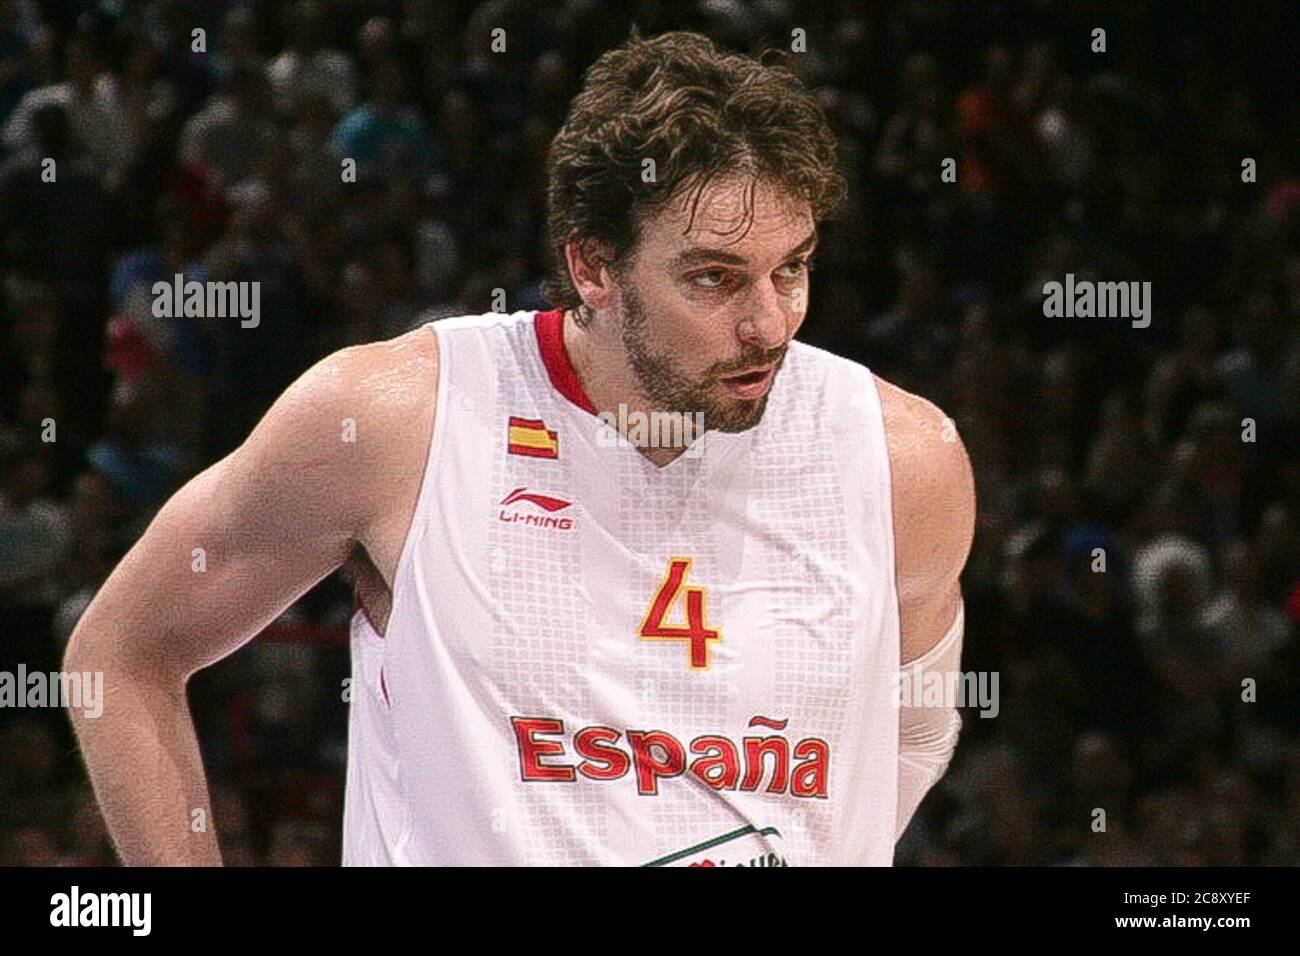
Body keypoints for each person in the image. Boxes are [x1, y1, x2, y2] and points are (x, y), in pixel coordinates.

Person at [66, 30, 974, 866]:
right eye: (714, 278)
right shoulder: (397, 420)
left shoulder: (903, 460)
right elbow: (122, 656)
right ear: (593, 266)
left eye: (793, 268)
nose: (768, 322)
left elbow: (915, 739)